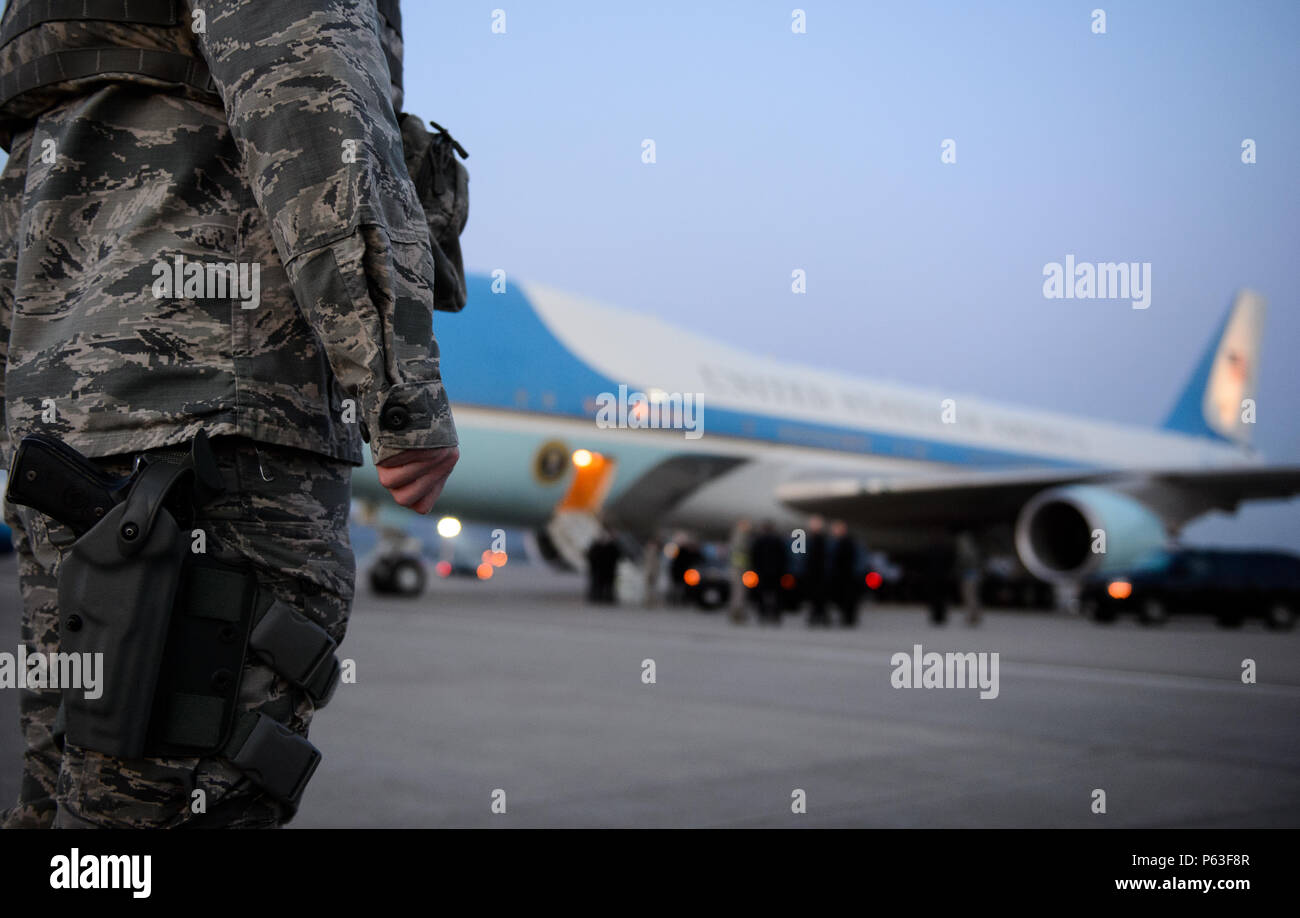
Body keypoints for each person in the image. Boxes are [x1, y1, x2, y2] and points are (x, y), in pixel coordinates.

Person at [0, 0, 458, 829]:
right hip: (219, 423)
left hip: (72, 429)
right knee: (182, 800)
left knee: (75, 804)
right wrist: (401, 392)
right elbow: (316, 109)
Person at [749, 521, 787, 625]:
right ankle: (775, 615)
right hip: (775, 572)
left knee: (762, 594)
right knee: (777, 595)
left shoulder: (759, 540)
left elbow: (754, 556)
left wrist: (756, 569)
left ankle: (763, 614)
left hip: (763, 572)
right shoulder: (778, 540)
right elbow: (783, 556)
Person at [828, 520, 861, 627]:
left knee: (849, 598)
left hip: (849, 575)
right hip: (840, 576)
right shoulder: (835, 543)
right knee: (842, 598)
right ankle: (846, 617)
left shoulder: (849, 543)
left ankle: (849, 618)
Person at [803, 515, 830, 627]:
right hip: (813, 573)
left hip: (821, 573)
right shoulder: (809, 540)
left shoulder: (823, 540)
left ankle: (822, 617)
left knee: (820, 597)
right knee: (814, 597)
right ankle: (816, 616)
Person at [956, 531, 983, 626]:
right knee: (972, 596)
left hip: (970, 576)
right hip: (972, 576)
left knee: (970, 596)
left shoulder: (968, 552)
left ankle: (973, 615)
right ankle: (974, 615)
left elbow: (966, 564)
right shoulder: (974, 551)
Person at [727, 519, 751, 624]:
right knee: (739, 593)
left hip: (738, 568)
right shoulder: (740, 537)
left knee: (738, 593)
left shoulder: (737, 537)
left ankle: (736, 613)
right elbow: (741, 551)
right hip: (739, 569)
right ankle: (737, 613)